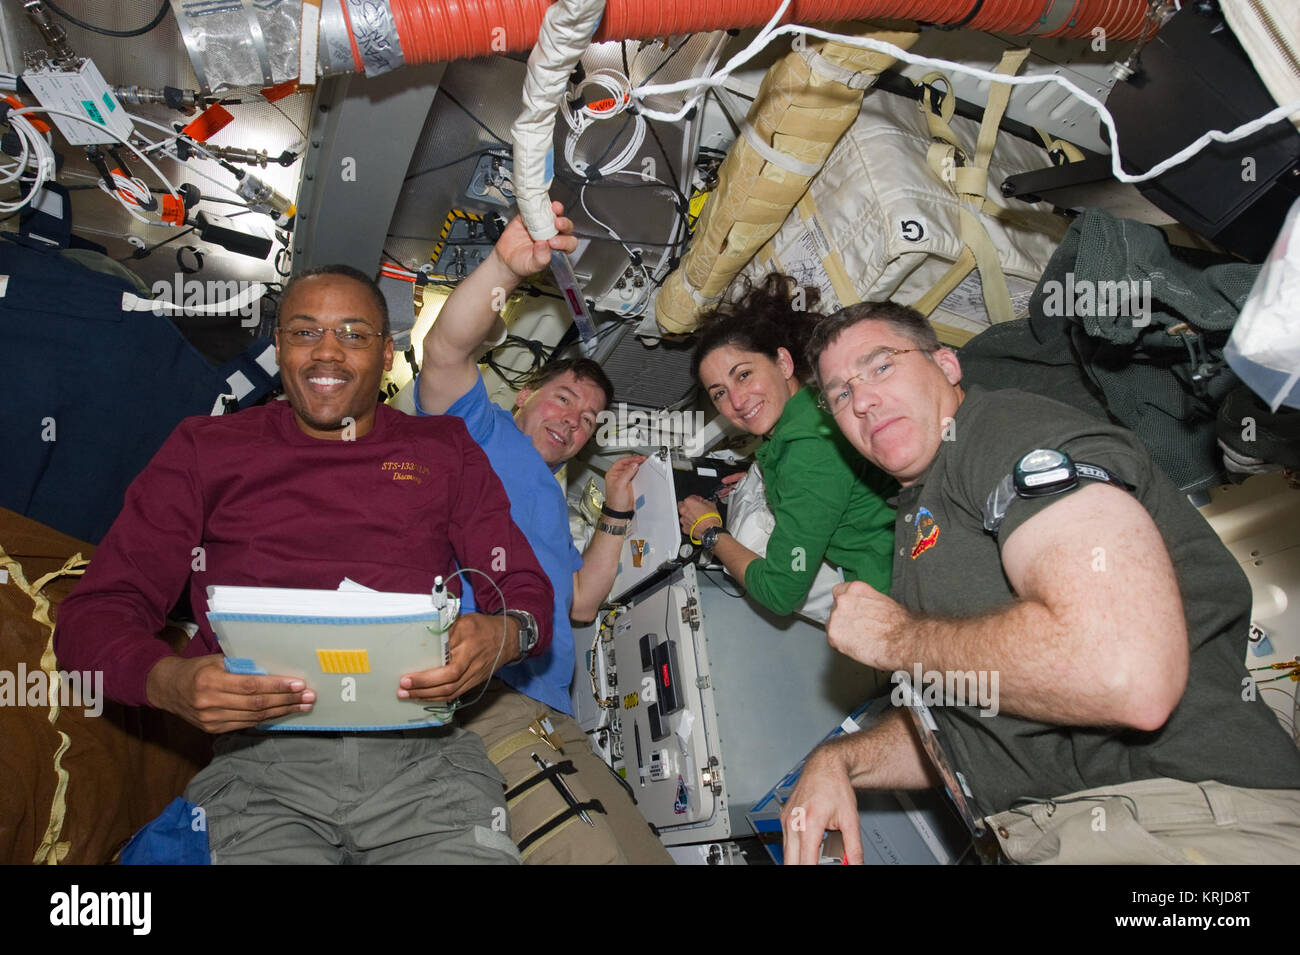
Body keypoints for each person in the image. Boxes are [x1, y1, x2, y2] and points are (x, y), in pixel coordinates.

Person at [55, 264, 555, 864]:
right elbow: (95, 616)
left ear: (386, 350)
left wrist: (508, 631)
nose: (327, 353)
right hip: (259, 774)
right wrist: (166, 681)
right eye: (303, 332)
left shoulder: (443, 448)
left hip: (425, 765)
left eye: (353, 333)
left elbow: (522, 585)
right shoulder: (204, 449)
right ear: (277, 345)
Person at [783, 299, 1300, 865]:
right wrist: (839, 761)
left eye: (881, 366)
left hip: (1176, 824)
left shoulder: (1000, 432)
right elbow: (974, 716)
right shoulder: (920, 509)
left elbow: (1124, 673)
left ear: (948, 366)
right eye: (840, 393)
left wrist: (897, 640)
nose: (862, 400)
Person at [410, 202, 671, 864]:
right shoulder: (480, 432)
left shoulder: (554, 505)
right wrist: (503, 266)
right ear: (525, 393)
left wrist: (615, 511)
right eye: (564, 399)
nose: (575, 421)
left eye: (590, 419)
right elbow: (444, 349)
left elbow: (582, 601)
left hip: (561, 716)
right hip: (488, 696)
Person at [675, 274, 896, 617]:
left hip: (897, 591)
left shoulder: (805, 456)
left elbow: (780, 593)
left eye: (743, 375)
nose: (736, 400)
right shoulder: (813, 406)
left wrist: (710, 532)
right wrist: (768, 479)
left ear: (783, 362)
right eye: (719, 392)